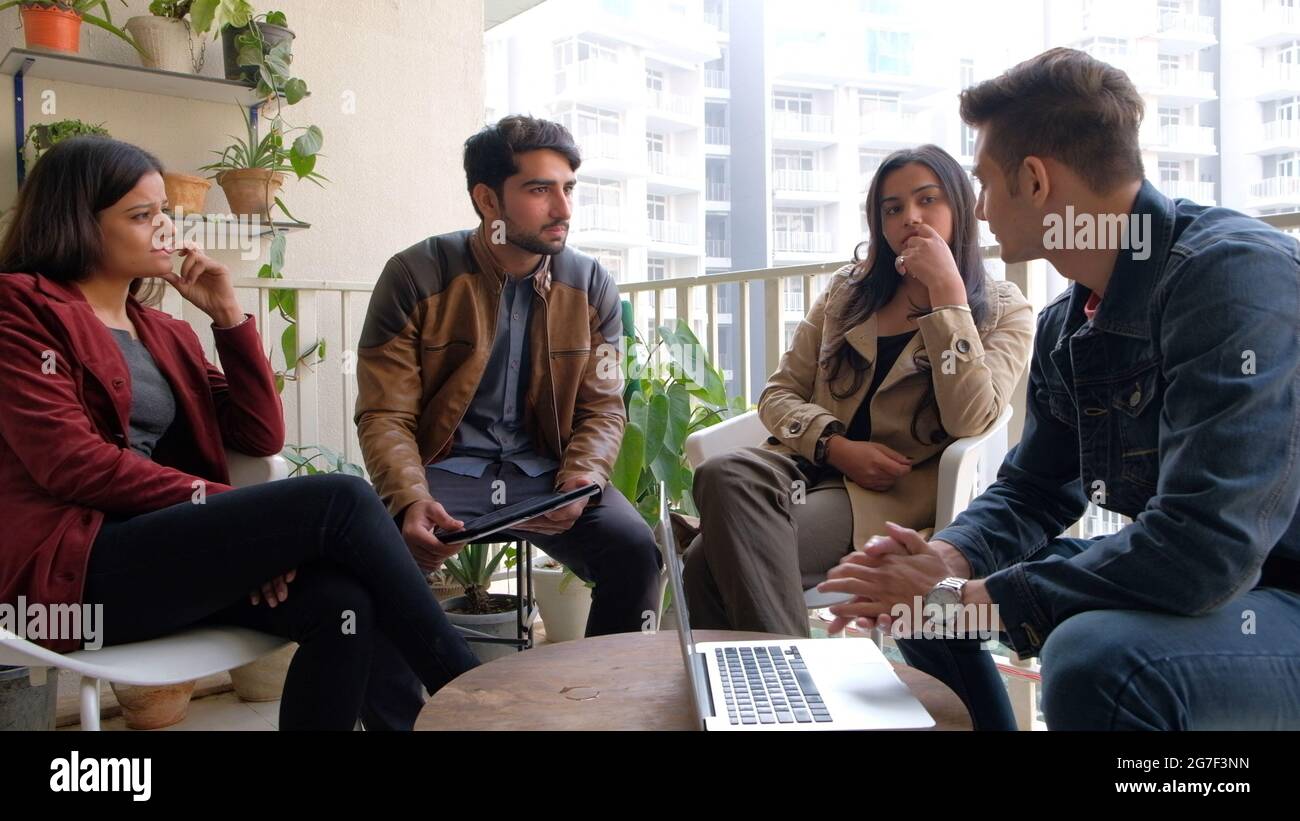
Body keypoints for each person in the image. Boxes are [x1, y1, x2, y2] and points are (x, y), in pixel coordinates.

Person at [819, 47, 1300, 730]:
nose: (979, 207)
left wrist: (969, 597)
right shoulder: (1068, 322)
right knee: (926, 610)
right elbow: (1035, 488)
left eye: (984, 182)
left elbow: (1204, 550)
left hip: (1276, 592)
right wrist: (940, 561)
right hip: (1228, 580)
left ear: (1036, 181)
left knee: (1095, 659)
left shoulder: (1231, 279)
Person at [0, 136, 479, 731]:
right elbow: (72, 464)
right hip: (74, 573)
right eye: (142, 216)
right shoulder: (20, 309)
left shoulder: (162, 331)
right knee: (342, 497)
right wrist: (249, 523)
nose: (166, 231)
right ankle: (480, 704)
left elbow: (258, 434)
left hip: (159, 553)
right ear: (79, 224)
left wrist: (228, 319)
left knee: (342, 605)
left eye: (165, 214)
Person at [353, 115, 662, 727]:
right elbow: (384, 411)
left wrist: (584, 479)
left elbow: (604, 403)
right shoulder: (415, 275)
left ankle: (607, 712)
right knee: (373, 570)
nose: (563, 207)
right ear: (487, 199)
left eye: (569, 188)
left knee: (634, 551)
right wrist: (409, 499)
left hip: (549, 475)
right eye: (540, 189)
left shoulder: (591, 282)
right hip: (442, 474)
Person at [683, 144, 1033, 638]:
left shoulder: (1003, 308)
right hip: (801, 468)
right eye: (893, 208)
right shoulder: (848, 292)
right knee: (724, 470)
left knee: (705, 560)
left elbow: (970, 418)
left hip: (887, 496)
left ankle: (766, 695)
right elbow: (778, 396)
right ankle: (784, 685)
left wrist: (947, 298)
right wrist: (835, 446)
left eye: (927, 200)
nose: (910, 218)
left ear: (959, 206)